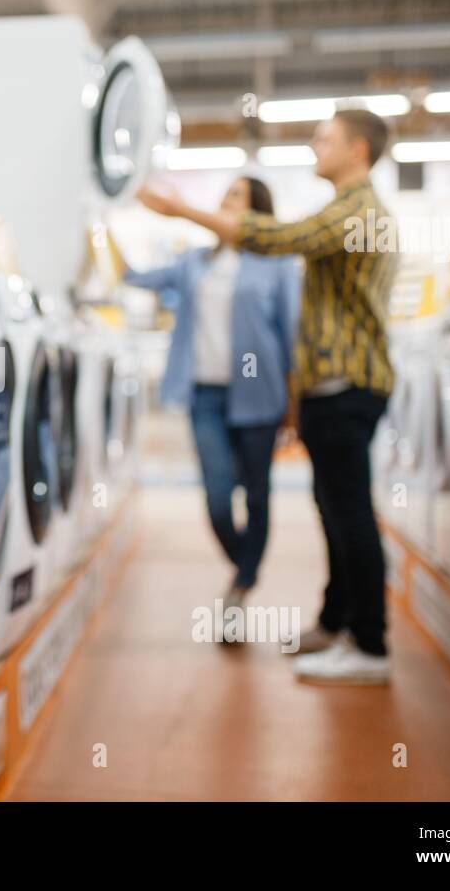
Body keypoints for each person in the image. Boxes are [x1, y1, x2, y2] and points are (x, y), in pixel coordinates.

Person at [137, 109, 398, 685]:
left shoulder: (357, 212)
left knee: (351, 515)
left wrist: (180, 208)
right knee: (333, 512)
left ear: (357, 149)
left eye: (324, 137)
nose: (314, 143)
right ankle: (336, 622)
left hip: (346, 383)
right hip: (334, 386)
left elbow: (277, 237)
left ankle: (371, 646)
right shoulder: (351, 209)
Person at [124, 176, 300, 614]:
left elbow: (292, 333)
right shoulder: (194, 262)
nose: (225, 203)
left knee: (257, 494)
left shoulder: (276, 264)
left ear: (258, 211)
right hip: (205, 394)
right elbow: (139, 278)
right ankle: (246, 569)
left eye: (236, 197)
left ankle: (239, 590)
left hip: (260, 395)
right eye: (223, 196)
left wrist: (294, 407)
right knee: (218, 497)